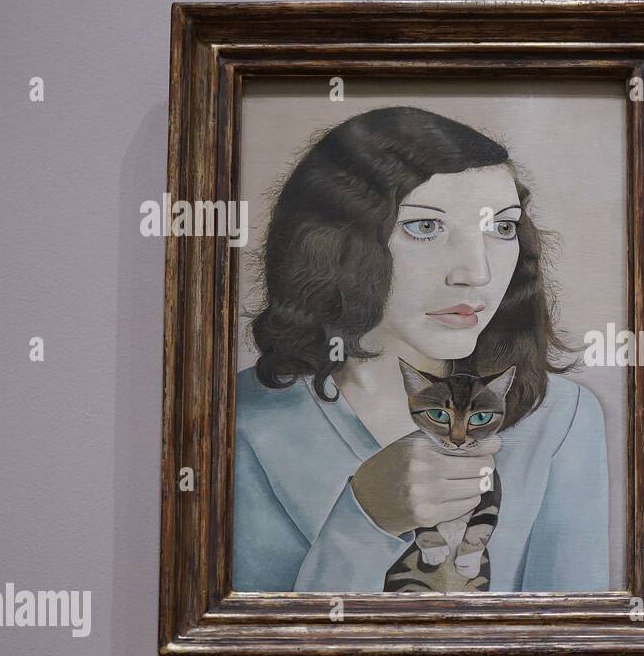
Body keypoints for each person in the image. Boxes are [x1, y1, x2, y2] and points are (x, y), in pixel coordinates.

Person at [232, 106, 609, 594]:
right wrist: (365, 518)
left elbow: (574, 639)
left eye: (502, 227)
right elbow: (250, 650)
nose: (476, 272)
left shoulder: (561, 416)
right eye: (426, 227)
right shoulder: (243, 418)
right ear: (335, 244)